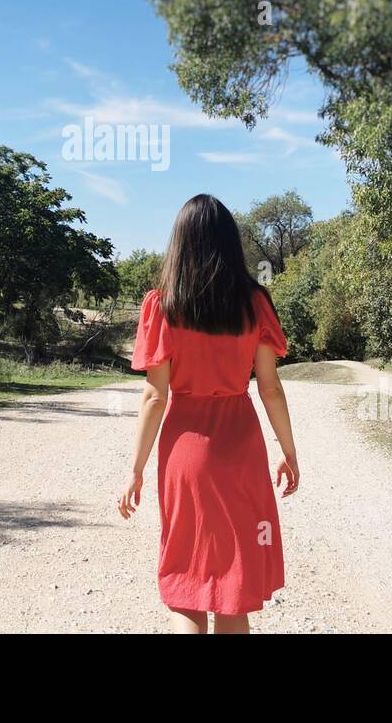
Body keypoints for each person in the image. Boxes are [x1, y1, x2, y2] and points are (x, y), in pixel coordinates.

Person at [117, 193, 298, 634]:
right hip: (241, 449)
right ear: (231, 242)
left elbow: (155, 396)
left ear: (180, 242)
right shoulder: (254, 303)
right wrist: (289, 452)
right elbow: (270, 388)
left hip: (186, 453)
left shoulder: (163, 305)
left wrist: (135, 470)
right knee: (234, 583)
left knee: (187, 580)